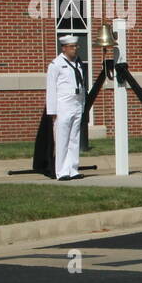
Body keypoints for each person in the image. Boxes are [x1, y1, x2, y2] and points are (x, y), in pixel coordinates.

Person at [45, 35, 87, 180]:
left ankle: (73, 169)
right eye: (72, 47)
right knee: (62, 139)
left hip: (76, 103)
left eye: (76, 46)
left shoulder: (78, 63)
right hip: (63, 105)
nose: (75, 49)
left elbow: (81, 85)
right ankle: (61, 171)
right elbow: (51, 89)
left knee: (74, 139)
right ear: (64, 48)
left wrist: (82, 105)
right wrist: (52, 111)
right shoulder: (55, 64)